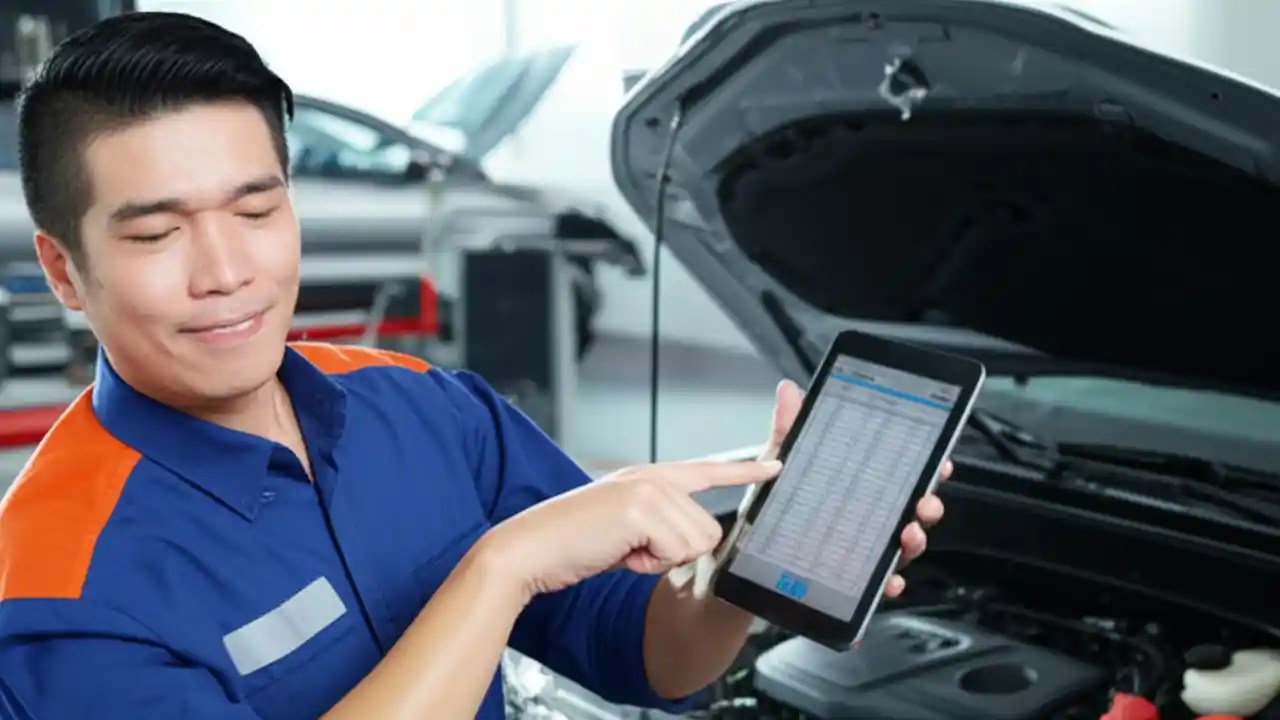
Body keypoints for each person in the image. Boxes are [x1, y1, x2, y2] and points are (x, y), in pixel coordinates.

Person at [0, 11, 951, 720]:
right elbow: (516, 569)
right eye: (159, 232)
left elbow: (648, 653)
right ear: (64, 271)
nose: (226, 272)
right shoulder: (51, 593)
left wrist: (753, 557)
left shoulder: (421, 411)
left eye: (257, 212)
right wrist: (502, 567)